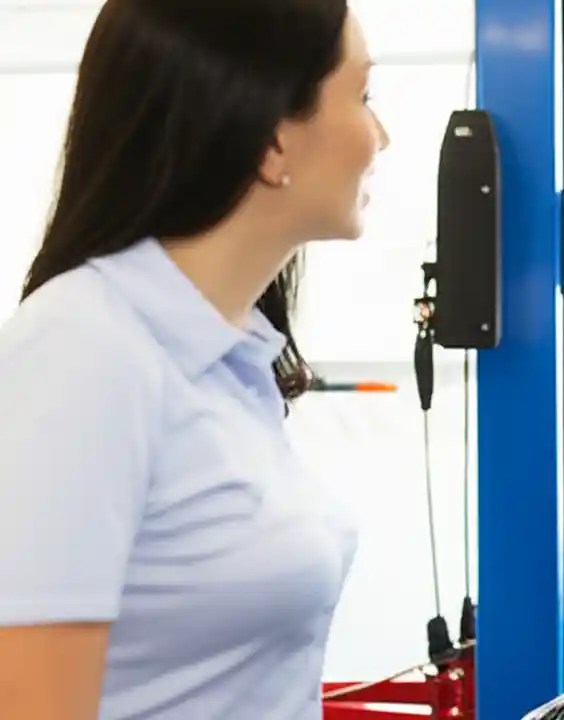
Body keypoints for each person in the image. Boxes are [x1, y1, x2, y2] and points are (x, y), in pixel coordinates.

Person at [0, 0, 389, 717]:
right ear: (272, 139)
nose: (381, 137)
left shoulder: (233, 361)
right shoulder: (84, 351)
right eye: (363, 95)